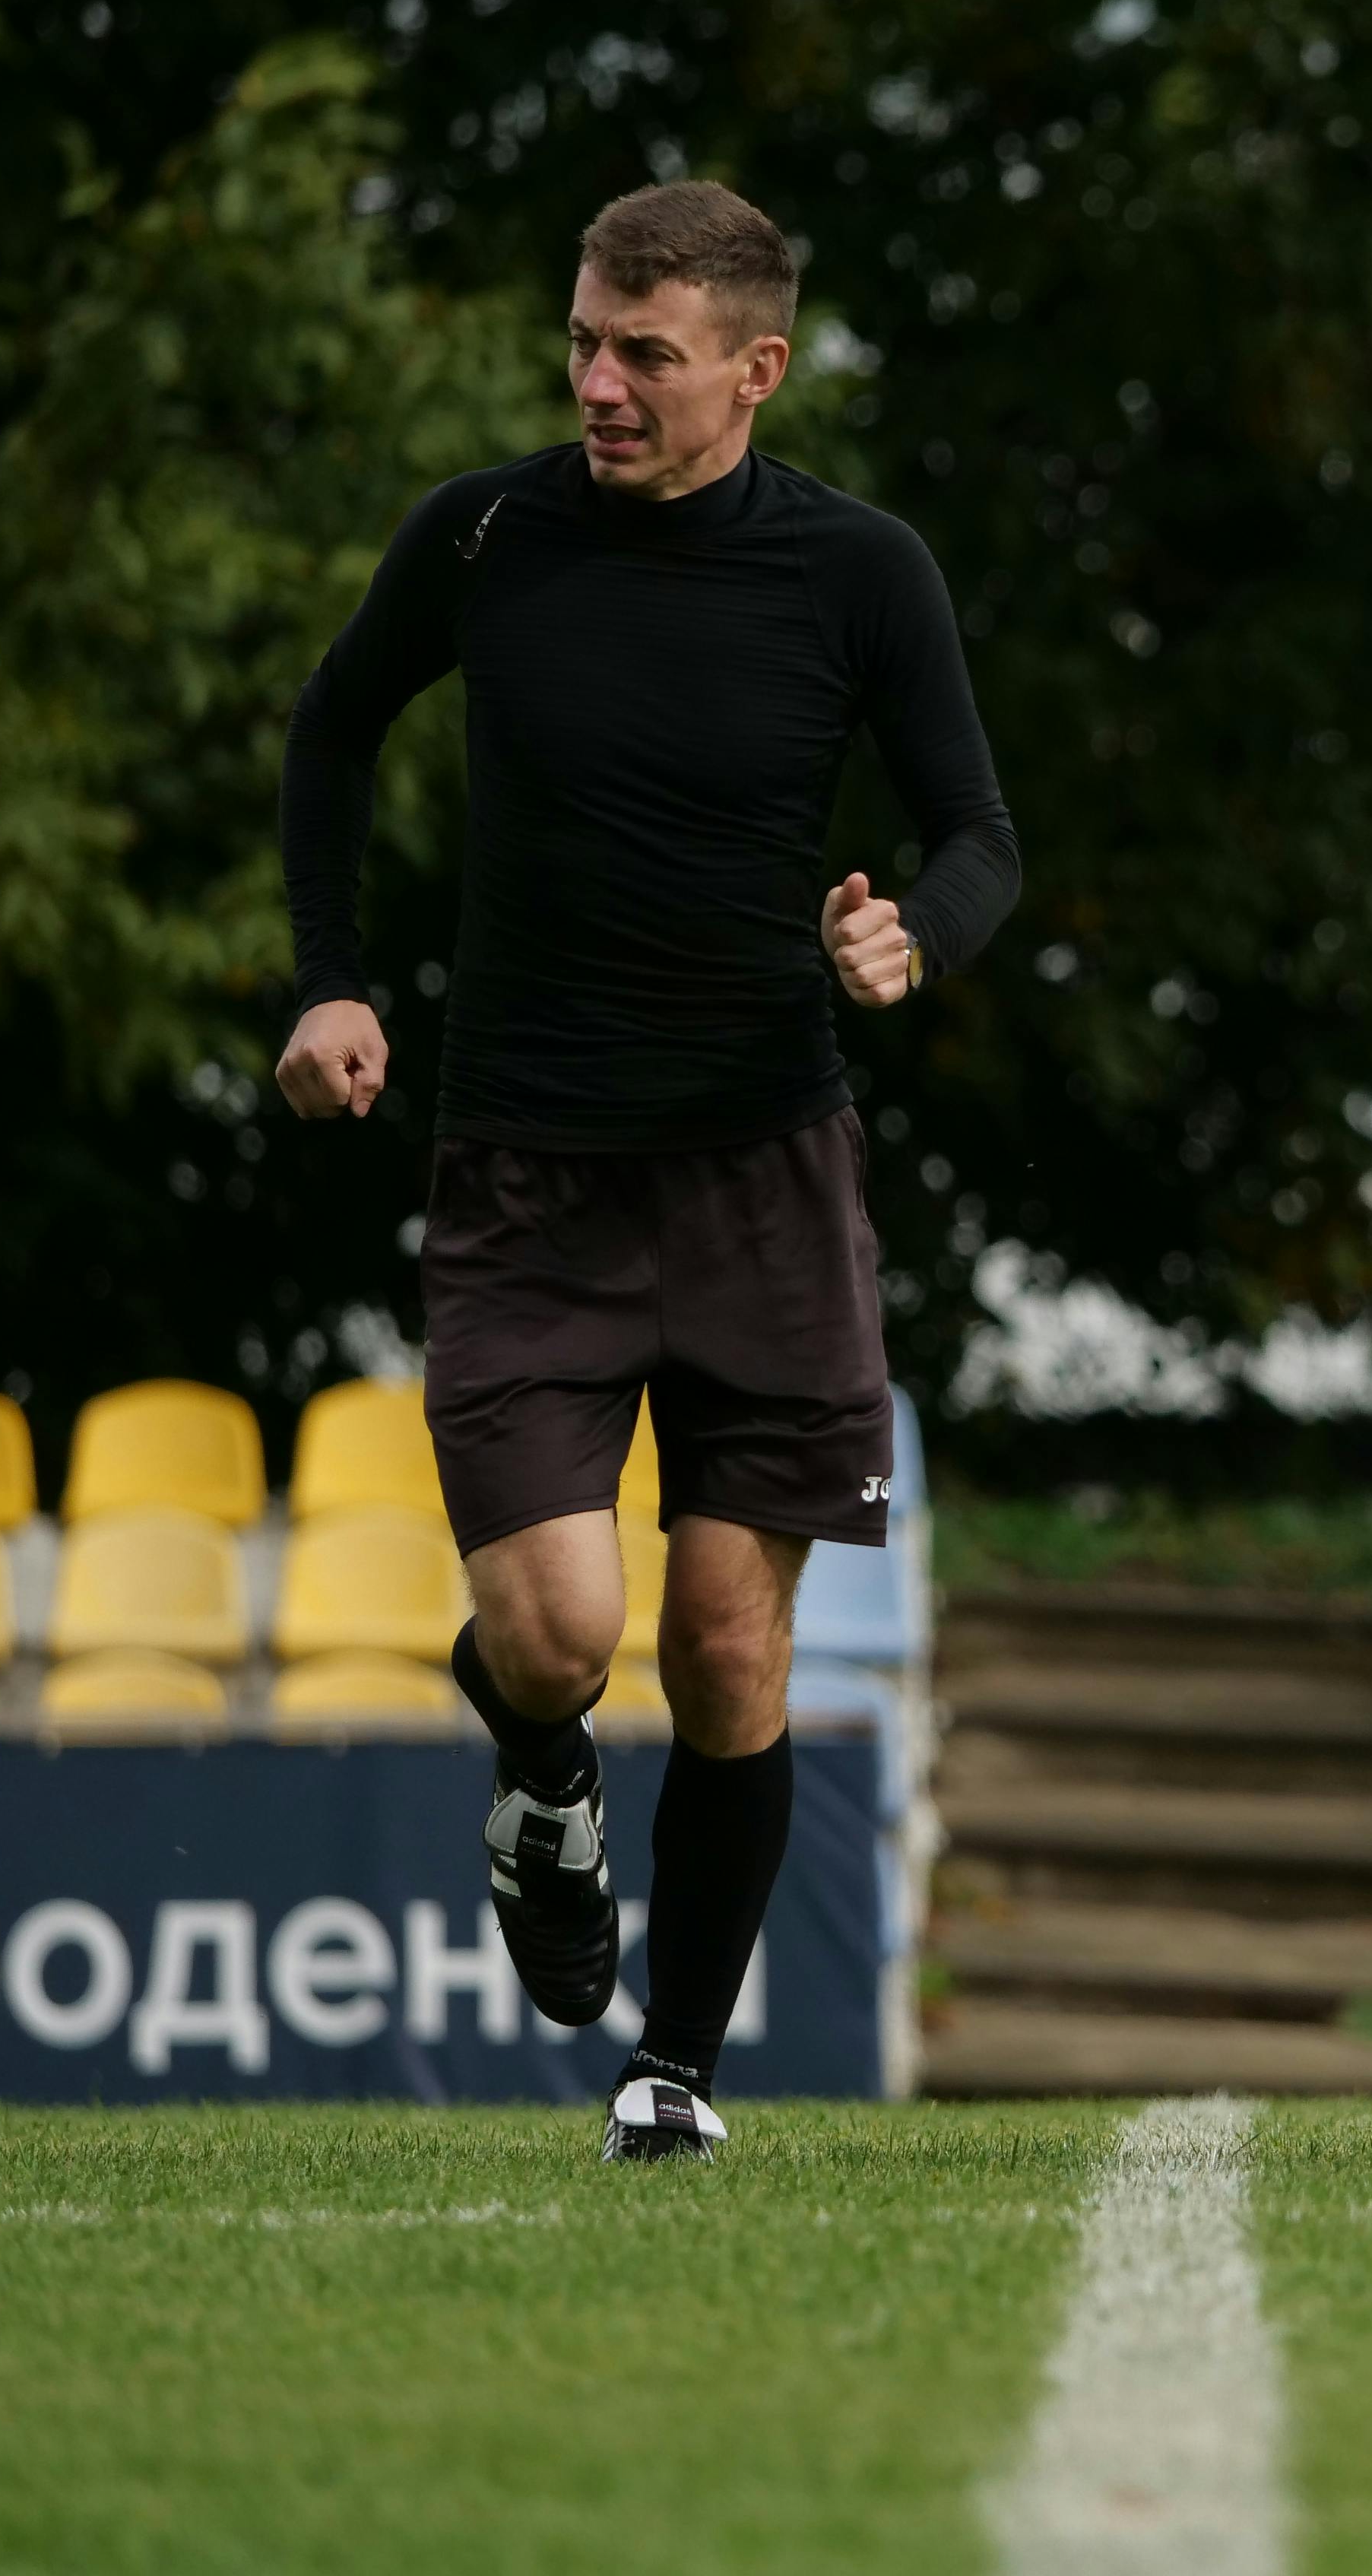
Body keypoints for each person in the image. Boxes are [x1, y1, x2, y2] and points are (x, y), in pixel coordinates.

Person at [275, 182, 1019, 2162]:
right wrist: (330, 985)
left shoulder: (861, 574)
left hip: (769, 1170)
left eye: (645, 354)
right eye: (585, 341)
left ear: (755, 374)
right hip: (524, 1169)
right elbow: (333, 730)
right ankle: (539, 1777)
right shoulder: (488, 534)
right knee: (548, 1635)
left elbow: (977, 840)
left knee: (726, 1642)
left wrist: (912, 940)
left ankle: (673, 2070)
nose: (598, 383)